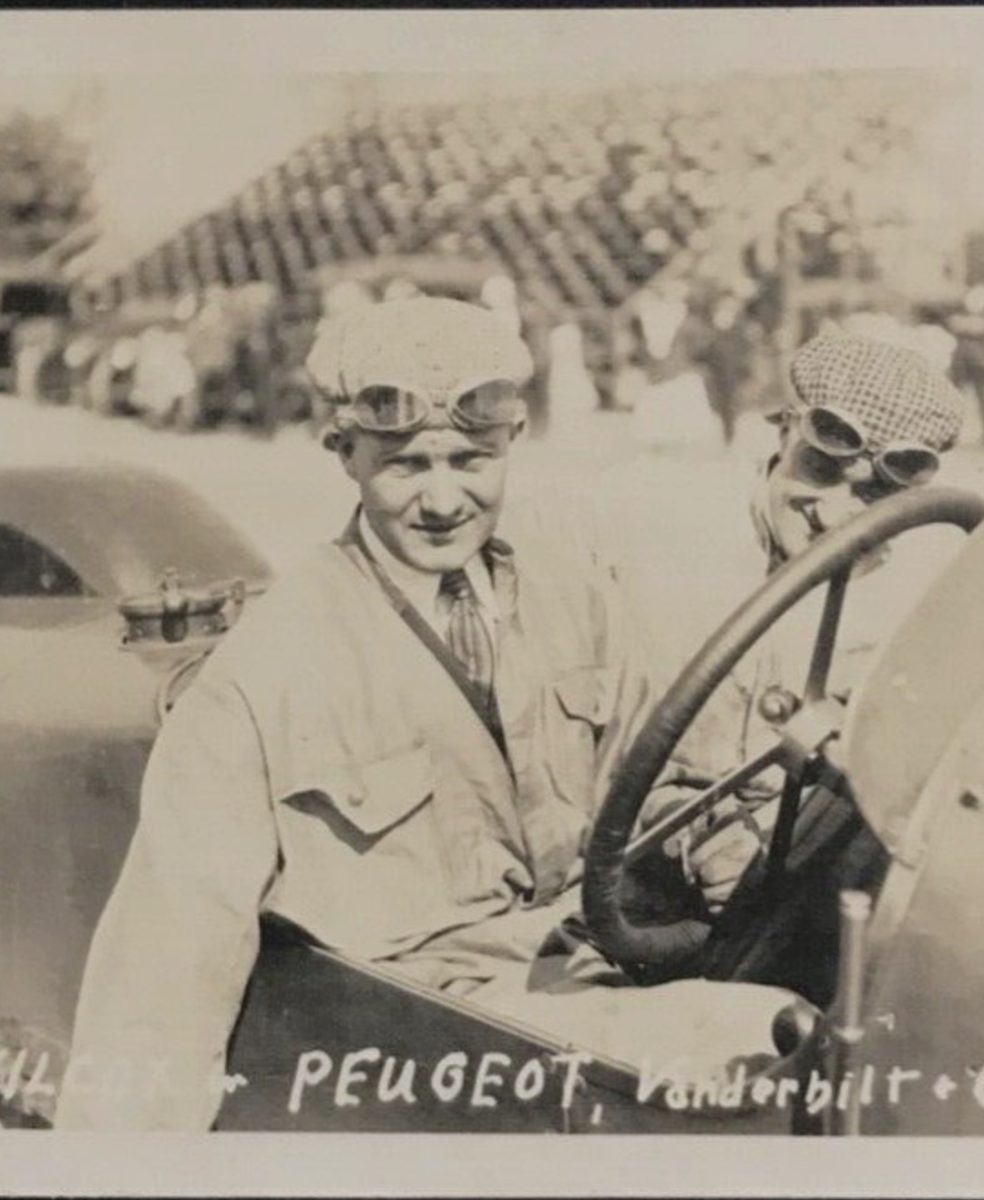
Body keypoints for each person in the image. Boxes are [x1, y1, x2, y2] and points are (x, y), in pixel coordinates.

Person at [55, 297, 793, 1132]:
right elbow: (167, 968)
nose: (444, 499)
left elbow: (651, 774)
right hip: (417, 1050)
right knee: (775, 1056)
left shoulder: (572, 598)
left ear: (512, 442)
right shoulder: (269, 669)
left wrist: (708, 838)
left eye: (472, 460)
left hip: (593, 971)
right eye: (407, 465)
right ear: (346, 454)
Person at [650, 330, 968, 1000]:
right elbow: (615, 765)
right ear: (784, 430)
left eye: (874, 496)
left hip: (822, 909)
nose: (838, 514)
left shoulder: (921, 598)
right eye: (821, 471)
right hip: (666, 911)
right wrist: (707, 841)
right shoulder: (672, 553)